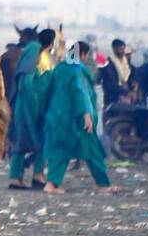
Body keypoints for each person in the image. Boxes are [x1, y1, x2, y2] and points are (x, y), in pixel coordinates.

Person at [42, 42, 116, 194]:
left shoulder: (60, 68)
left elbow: (49, 90)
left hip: (57, 117)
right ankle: (102, 185)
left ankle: (51, 184)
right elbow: (80, 92)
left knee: (61, 151)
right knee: (93, 151)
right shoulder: (77, 71)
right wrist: (86, 115)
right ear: (83, 54)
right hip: (76, 120)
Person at [8, 28, 57, 190]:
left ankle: (34, 176)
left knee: (30, 141)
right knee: (27, 141)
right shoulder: (34, 50)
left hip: (31, 104)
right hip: (27, 106)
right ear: (51, 43)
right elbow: (26, 81)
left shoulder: (35, 51)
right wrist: (34, 105)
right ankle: (19, 178)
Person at [0, 26, 37, 104]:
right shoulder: (35, 58)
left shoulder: (5, 55)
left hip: (3, 100)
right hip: (22, 103)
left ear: (21, 37)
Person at [99, 38, 134, 107]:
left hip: (127, 96)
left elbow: (131, 75)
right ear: (114, 49)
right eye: (120, 49)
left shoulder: (126, 62)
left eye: (123, 49)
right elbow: (110, 83)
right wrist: (125, 92)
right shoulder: (108, 64)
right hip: (113, 97)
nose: (122, 51)